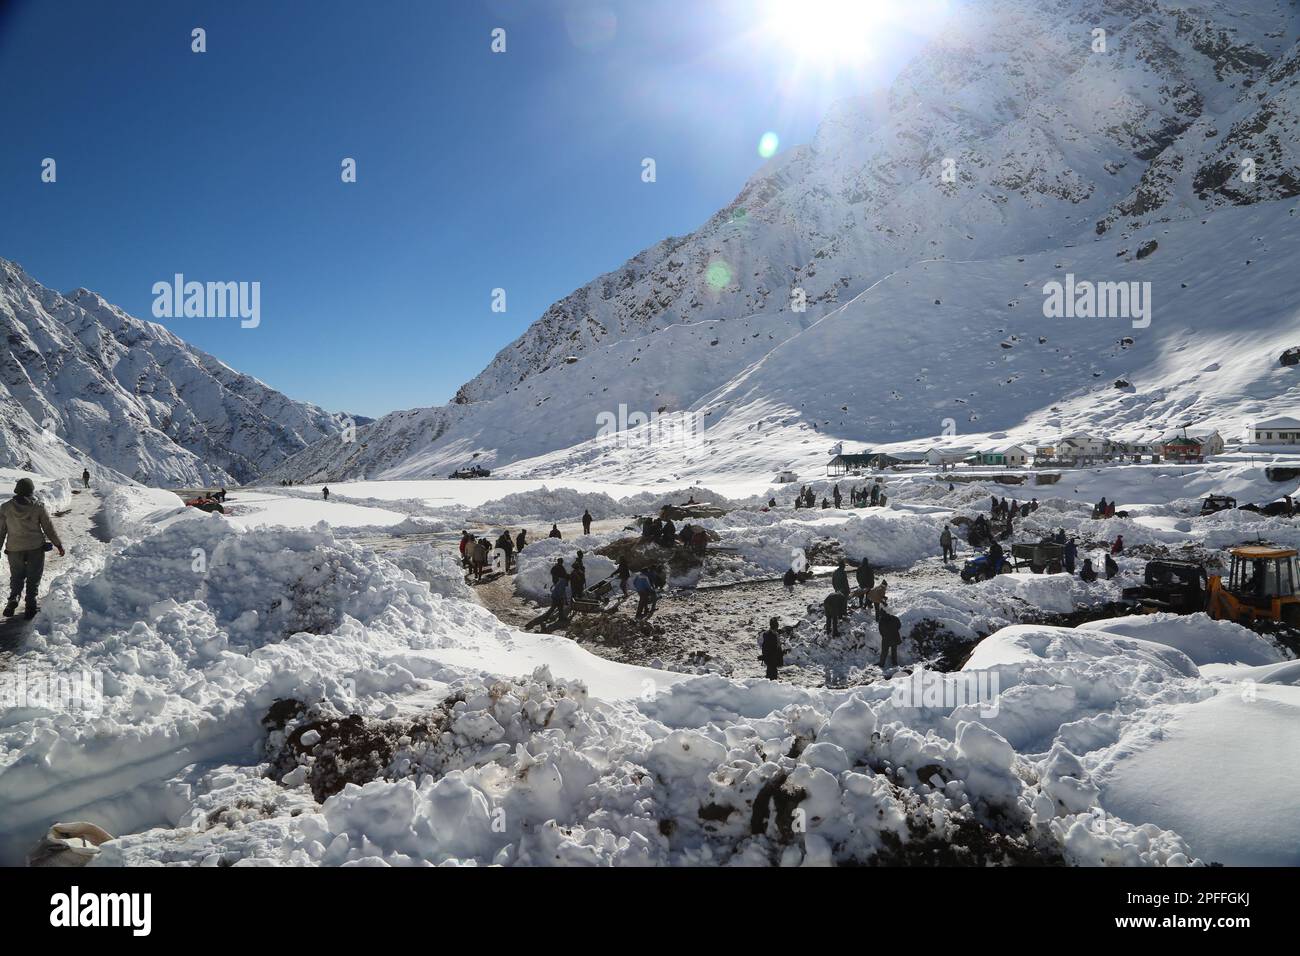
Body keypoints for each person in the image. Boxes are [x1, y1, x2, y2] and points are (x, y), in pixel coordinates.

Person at [1, 477, 65, 620]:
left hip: (14, 549)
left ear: (17, 490)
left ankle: (14, 598)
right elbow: (49, 528)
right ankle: (30, 606)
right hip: (35, 548)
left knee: (16, 576)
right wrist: (58, 545)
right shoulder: (38, 507)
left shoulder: (5, 508)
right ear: (31, 491)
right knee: (33, 577)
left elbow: (1, 531)